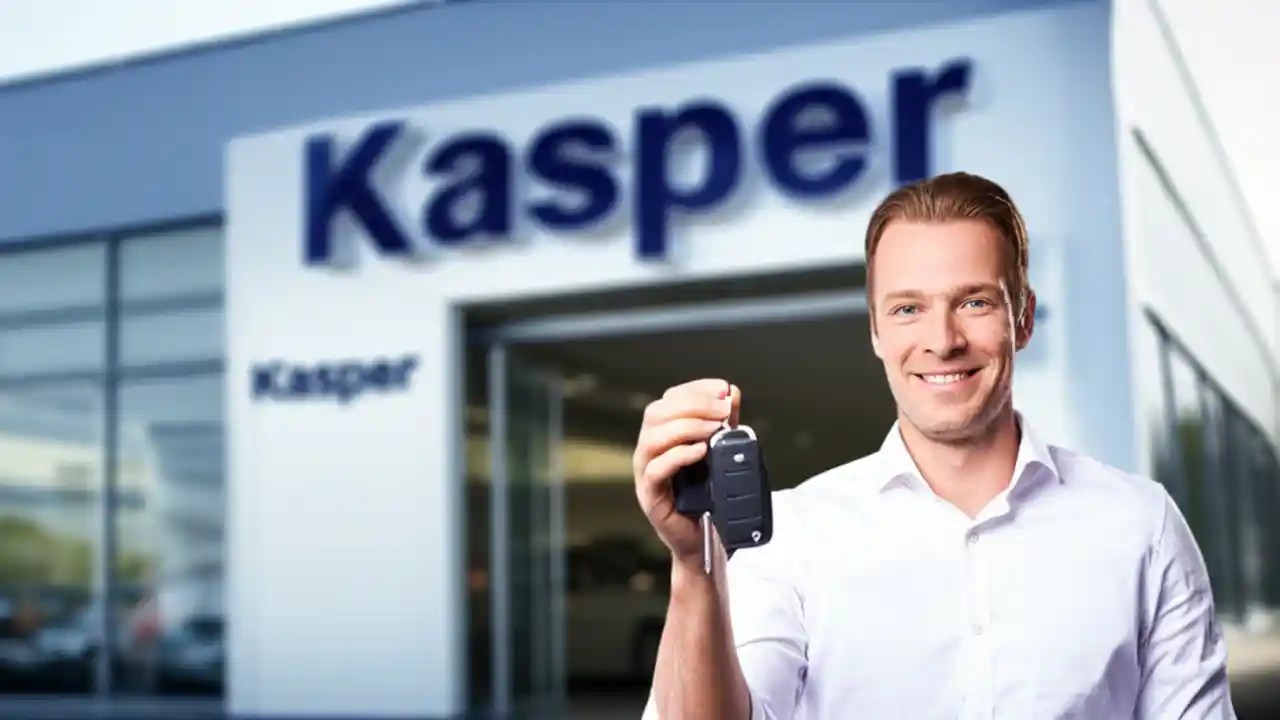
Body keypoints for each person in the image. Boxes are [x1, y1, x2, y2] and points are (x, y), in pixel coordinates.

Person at [633, 172, 1235, 719]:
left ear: (1022, 318)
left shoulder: (1140, 525)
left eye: (974, 302)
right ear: (874, 329)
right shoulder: (791, 536)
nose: (942, 341)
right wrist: (694, 569)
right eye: (907, 309)